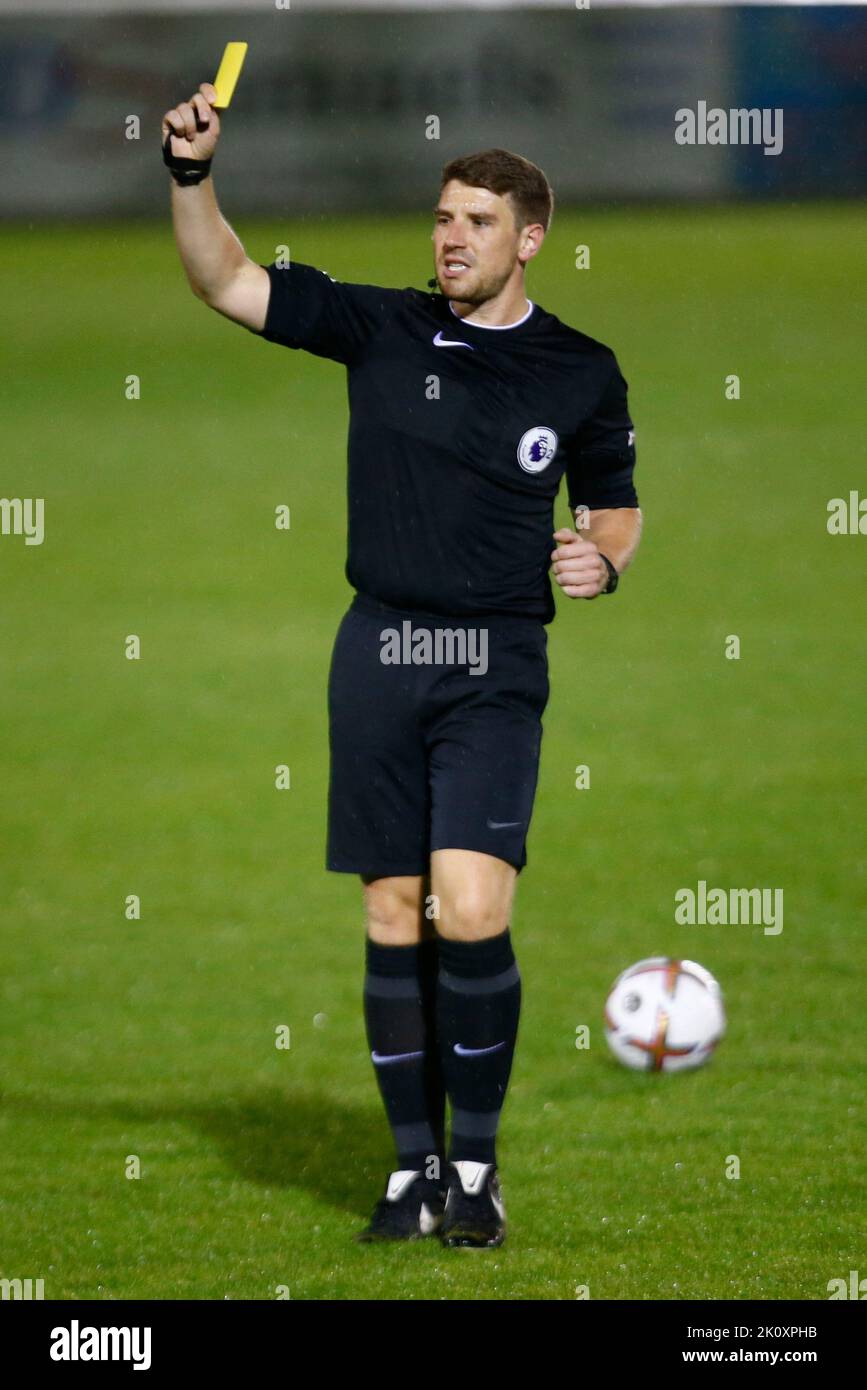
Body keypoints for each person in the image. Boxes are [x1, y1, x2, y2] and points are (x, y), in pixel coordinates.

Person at [162, 82, 643, 1248]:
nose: (451, 237)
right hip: (378, 647)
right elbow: (226, 279)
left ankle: (474, 1171)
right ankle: (411, 1169)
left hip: (493, 660)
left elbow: (616, 508)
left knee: (469, 907)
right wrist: (191, 178)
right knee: (392, 912)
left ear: (529, 239)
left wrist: (602, 562)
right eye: (443, 217)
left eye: (477, 222)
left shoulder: (580, 369)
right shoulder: (380, 325)